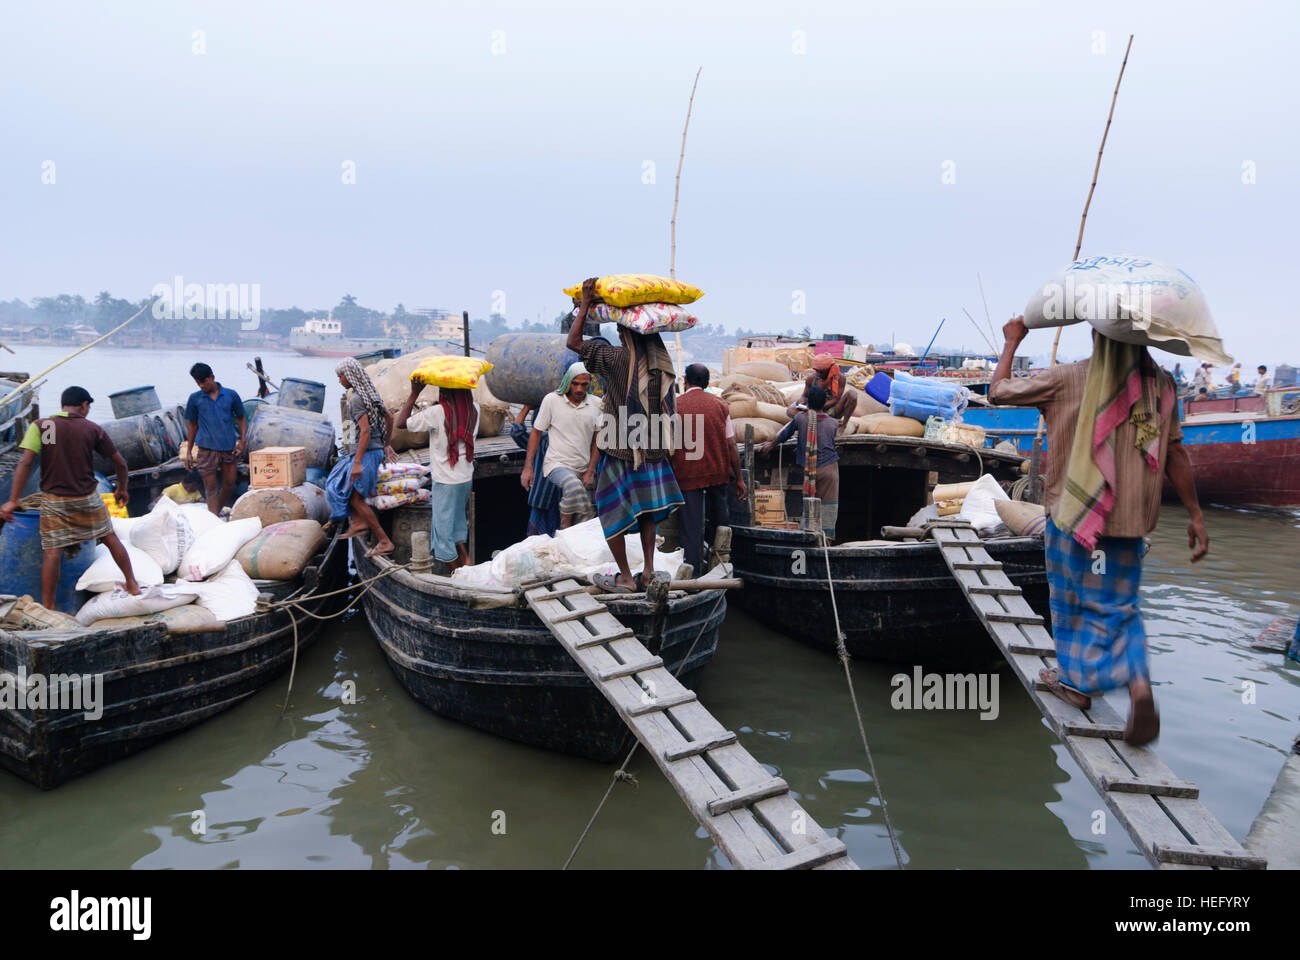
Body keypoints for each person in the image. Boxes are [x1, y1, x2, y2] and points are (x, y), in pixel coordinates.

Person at [989, 315, 1208, 746]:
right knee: (1119, 604)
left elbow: (997, 392)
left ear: (1096, 337)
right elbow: (1176, 452)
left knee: (1072, 596)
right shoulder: (1161, 384)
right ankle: (1137, 679)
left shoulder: (1068, 378)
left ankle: (1074, 683)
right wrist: (1195, 514)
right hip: (1132, 520)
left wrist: (1013, 341)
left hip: (1076, 514)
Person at [566, 277, 683, 593]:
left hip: (621, 449)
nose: (618, 334)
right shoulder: (662, 366)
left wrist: (587, 304)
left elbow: (574, 342)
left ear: (627, 333)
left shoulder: (618, 359)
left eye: (620, 331)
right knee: (648, 511)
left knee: (609, 510)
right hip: (655, 448)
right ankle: (647, 570)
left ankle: (627, 578)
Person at [0, 386, 139, 607]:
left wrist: (13, 499)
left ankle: (48, 607)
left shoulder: (46, 426)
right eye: (88, 406)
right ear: (84, 405)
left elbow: (26, 462)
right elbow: (120, 463)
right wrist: (122, 489)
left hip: (55, 500)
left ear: (63, 404)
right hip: (87, 498)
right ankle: (132, 583)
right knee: (109, 538)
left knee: (52, 551)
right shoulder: (91, 429)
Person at [396, 376, 477, 572]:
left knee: (442, 534)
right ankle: (466, 562)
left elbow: (401, 423)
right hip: (465, 477)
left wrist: (415, 393)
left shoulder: (436, 413)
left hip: (445, 481)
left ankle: (458, 575)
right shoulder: (475, 409)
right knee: (457, 523)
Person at [671, 363, 745, 573]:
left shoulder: (676, 406)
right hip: (717, 473)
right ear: (706, 382)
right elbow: (731, 444)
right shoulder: (720, 405)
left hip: (687, 474)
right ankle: (719, 564)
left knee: (691, 527)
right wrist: (739, 478)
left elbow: (668, 444)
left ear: (685, 380)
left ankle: (692, 572)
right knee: (721, 519)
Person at [327, 358, 396, 558]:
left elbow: (364, 432)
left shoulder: (357, 400)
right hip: (373, 452)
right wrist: (385, 444)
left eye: (340, 376)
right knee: (344, 488)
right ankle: (358, 523)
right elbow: (389, 417)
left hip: (365, 455)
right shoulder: (370, 396)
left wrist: (356, 463)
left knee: (352, 497)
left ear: (350, 376)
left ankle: (384, 541)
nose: (339, 380)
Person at [521, 362, 601, 529]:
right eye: (575, 384)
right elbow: (536, 432)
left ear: (589, 383)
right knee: (573, 486)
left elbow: (597, 440)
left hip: (582, 465)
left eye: (584, 384)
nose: (579, 389)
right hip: (556, 464)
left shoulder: (596, 404)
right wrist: (528, 468)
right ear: (568, 382)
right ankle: (565, 528)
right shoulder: (552, 400)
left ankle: (576, 535)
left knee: (586, 511)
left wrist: (591, 471)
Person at [761, 386, 840, 539]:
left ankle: (808, 536)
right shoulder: (833, 423)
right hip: (829, 469)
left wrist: (770, 446)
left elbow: (784, 434)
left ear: (808, 403)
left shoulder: (801, 418)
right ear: (824, 403)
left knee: (809, 505)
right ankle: (826, 539)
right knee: (828, 507)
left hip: (810, 469)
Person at [183, 362, 246, 515]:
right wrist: (189, 452)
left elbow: (241, 417)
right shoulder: (195, 398)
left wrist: (242, 441)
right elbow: (193, 425)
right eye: (198, 383)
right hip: (206, 449)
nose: (201, 386)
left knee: (230, 484)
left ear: (212, 377)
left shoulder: (231, 395)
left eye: (203, 382)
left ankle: (214, 513)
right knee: (211, 488)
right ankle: (214, 519)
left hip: (228, 448)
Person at [510, 405, 561, 536]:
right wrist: (526, 408)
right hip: (543, 499)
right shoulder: (540, 439)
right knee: (540, 543)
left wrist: (526, 408)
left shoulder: (561, 439)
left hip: (557, 500)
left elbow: (517, 432)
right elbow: (517, 432)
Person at [792, 355, 858, 433]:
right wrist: (801, 402)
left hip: (832, 409)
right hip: (814, 409)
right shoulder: (811, 379)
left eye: (821, 372)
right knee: (790, 411)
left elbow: (836, 399)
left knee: (852, 394)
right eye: (817, 371)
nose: (818, 374)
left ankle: (843, 425)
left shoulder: (840, 378)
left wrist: (819, 408)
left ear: (830, 369)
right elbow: (804, 396)